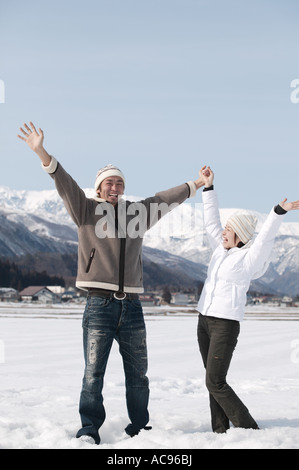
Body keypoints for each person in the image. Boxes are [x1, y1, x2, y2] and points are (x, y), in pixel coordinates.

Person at [17, 121, 208, 445]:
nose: (115, 188)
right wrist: (42, 153)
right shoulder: (85, 210)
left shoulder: (138, 213)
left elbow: (167, 197)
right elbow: (65, 184)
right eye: (109, 183)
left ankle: (140, 428)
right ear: (99, 188)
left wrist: (198, 183)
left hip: (132, 307)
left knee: (139, 376)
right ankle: (89, 429)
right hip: (99, 306)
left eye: (119, 183)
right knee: (93, 374)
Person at [196, 166, 299, 434]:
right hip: (204, 320)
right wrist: (208, 188)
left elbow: (264, 238)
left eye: (229, 229)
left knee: (215, 381)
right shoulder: (220, 250)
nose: (223, 231)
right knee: (212, 381)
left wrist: (278, 212)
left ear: (241, 236)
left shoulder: (248, 259)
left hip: (225, 324)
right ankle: (220, 431)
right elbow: (210, 222)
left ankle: (248, 429)